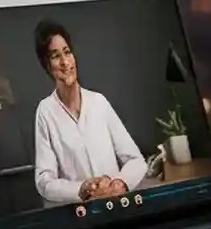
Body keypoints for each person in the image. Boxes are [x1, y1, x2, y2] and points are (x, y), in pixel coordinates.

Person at [32, 20, 146, 204]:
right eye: (55, 56)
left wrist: (119, 183)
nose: (65, 62)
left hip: (117, 206)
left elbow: (136, 160)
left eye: (67, 52)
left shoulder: (98, 102)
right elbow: (44, 182)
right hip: (81, 213)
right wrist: (80, 189)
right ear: (47, 65)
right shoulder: (45, 112)